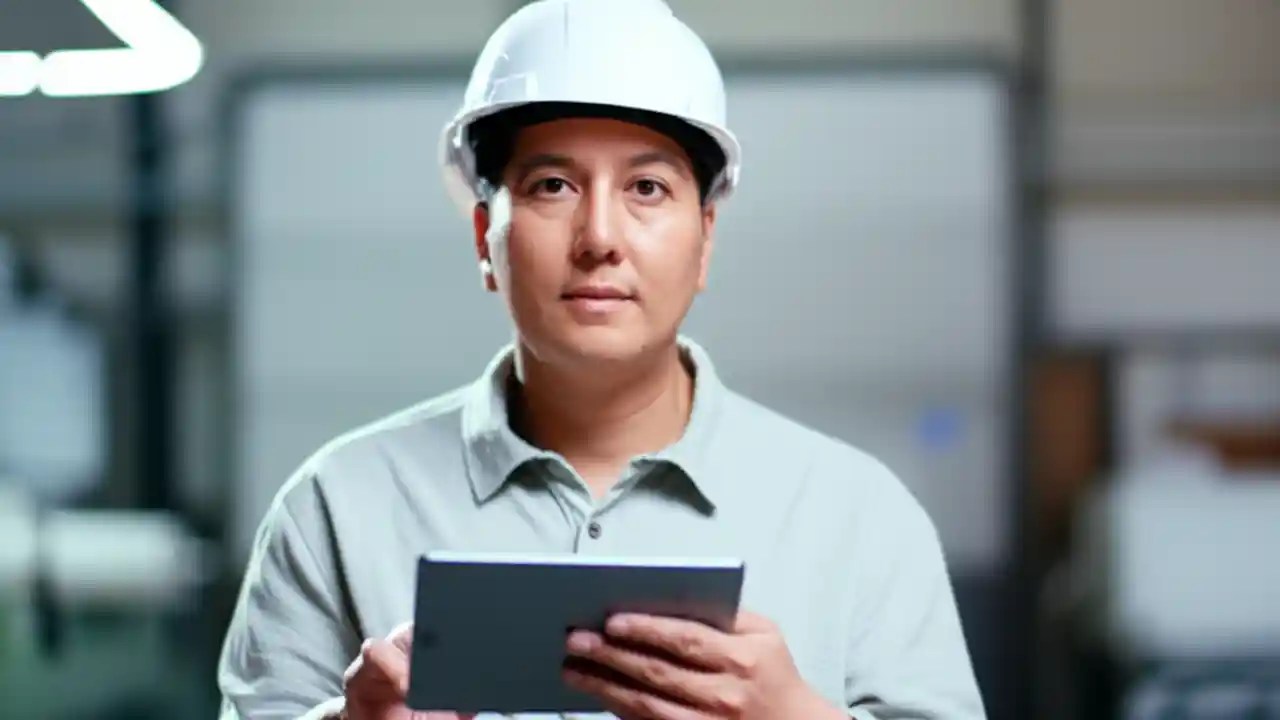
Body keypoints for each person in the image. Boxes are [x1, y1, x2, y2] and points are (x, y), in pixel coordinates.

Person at [216, 1, 987, 718]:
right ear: (485, 237)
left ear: (705, 238)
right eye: (552, 185)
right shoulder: (335, 509)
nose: (599, 238)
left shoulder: (859, 519)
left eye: (647, 187)